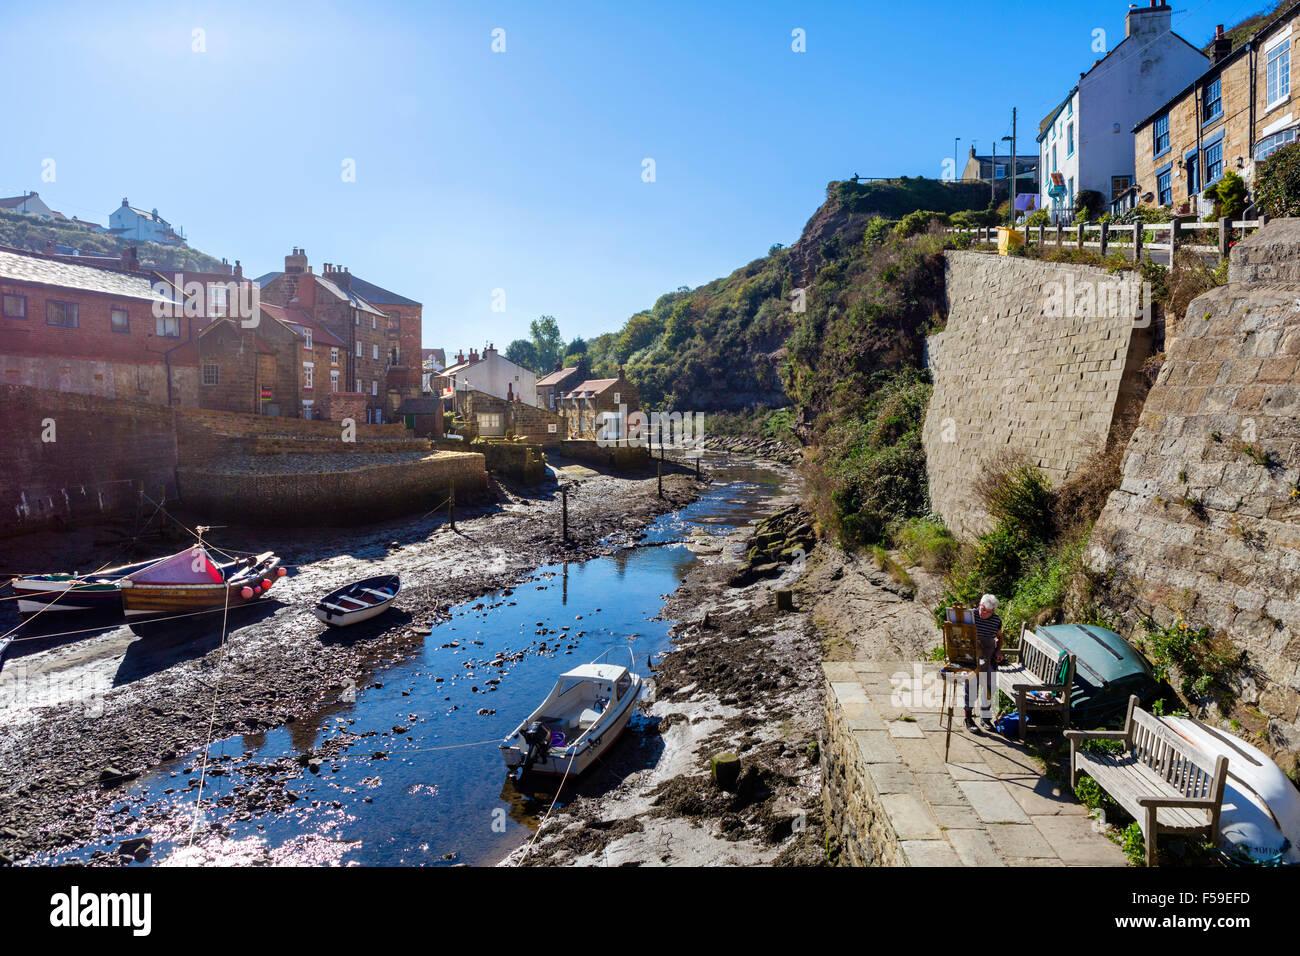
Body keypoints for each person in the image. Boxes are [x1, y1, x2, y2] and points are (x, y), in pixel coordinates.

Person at [964, 594, 1003, 732]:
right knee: (971, 687)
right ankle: (968, 718)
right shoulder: (970, 615)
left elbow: (999, 638)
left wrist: (998, 651)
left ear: (993, 611)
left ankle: (985, 718)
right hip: (971, 656)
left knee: (989, 687)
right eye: (981, 608)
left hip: (988, 657)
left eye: (986, 611)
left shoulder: (996, 620)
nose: (982, 612)